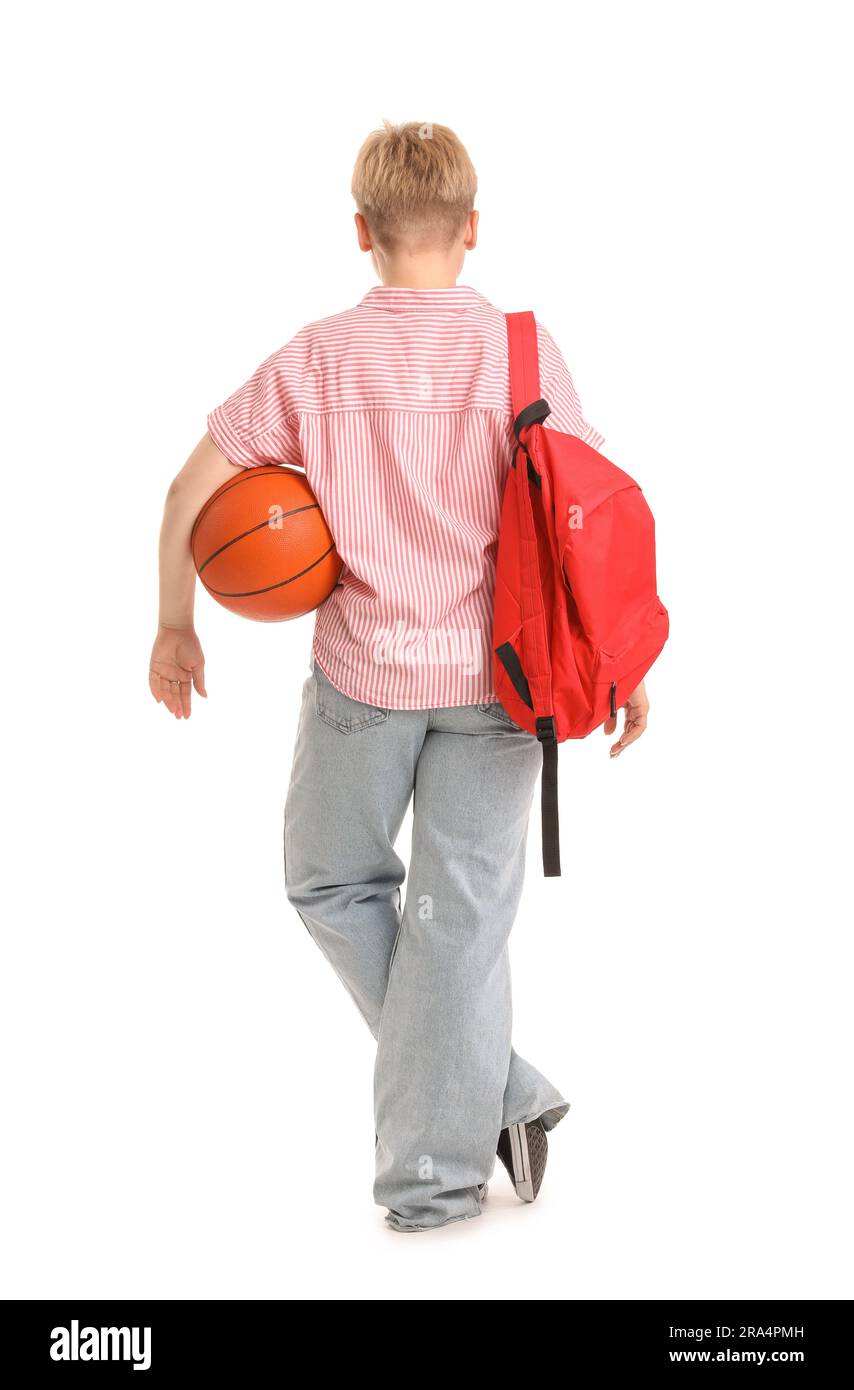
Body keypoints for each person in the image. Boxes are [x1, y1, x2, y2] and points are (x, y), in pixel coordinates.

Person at [149, 120, 650, 1233]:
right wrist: (615, 662)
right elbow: (586, 520)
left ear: (360, 234)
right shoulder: (521, 350)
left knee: (331, 882)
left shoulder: (316, 356)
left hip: (364, 680)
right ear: (470, 231)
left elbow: (189, 496)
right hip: (503, 681)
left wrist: (175, 626)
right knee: (455, 925)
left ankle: (429, 1183)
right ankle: (501, 1091)